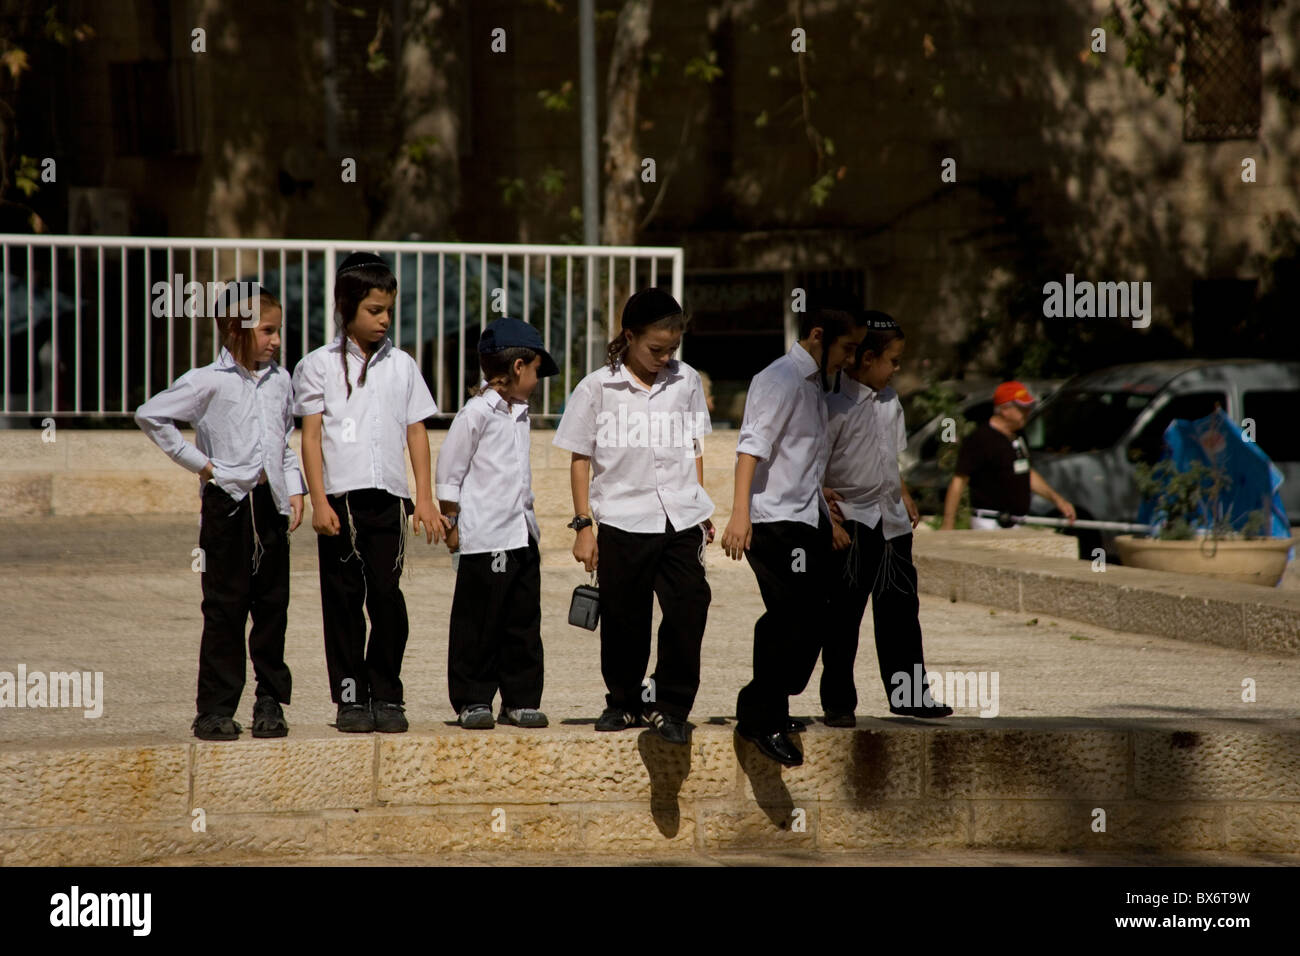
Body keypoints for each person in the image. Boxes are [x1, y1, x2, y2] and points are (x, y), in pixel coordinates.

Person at [135, 284, 303, 741]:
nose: (275, 340)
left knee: (272, 606)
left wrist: (295, 489)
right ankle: (214, 708)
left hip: (270, 504)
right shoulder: (207, 380)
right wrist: (204, 466)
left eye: (278, 331)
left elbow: (283, 439)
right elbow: (150, 415)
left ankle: (270, 701)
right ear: (234, 328)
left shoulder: (280, 380)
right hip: (227, 504)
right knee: (225, 607)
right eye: (267, 331)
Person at [292, 252, 447, 734]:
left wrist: (424, 497)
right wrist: (318, 501)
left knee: (386, 598)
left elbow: (416, 431)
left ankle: (387, 694)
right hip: (340, 503)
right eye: (374, 310)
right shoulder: (317, 365)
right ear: (346, 308)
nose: (383, 320)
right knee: (343, 603)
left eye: (388, 311)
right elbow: (311, 438)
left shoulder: (402, 365)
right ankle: (350, 698)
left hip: (388, 501)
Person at [553, 288, 714, 745]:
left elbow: (694, 447)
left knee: (689, 605)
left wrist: (699, 502)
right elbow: (580, 458)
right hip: (623, 520)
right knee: (625, 617)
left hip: (680, 518)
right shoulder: (596, 388)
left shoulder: (686, 381)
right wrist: (583, 526)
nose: (665, 358)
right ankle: (623, 701)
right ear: (629, 337)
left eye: (672, 349)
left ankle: (671, 704)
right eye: (655, 349)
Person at [720, 297, 869, 767]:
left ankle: (770, 706)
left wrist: (825, 513)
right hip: (773, 522)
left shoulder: (814, 386)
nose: (850, 359)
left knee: (812, 617)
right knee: (791, 616)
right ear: (819, 336)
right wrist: (739, 515)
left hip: (804, 520)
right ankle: (759, 715)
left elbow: (800, 459)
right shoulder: (780, 379)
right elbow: (751, 450)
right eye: (847, 348)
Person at [821, 312, 952, 724]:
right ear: (867, 358)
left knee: (900, 613)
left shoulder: (890, 401)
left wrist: (904, 494)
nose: (896, 369)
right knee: (843, 616)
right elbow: (815, 468)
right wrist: (830, 521)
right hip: (852, 521)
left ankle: (909, 696)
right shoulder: (832, 405)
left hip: (891, 521)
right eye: (893, 361)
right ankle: (839, 703)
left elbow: (889, 458)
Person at [437, 318, 557, 730]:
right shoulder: (475, 413)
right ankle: (473, 698)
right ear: (518, 367)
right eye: (537, 370)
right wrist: (452, 522)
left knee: (522, 621)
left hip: (521, 534)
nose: (538, 380)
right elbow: (450, 472)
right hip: (485, 536)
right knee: (478, 622)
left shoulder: (519, 414)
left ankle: (520, 698)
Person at [940, 381, 1076, 531]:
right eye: (1022, 408)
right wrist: (948, 522)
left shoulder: (1019, 435)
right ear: (1004, 409)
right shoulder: (980, 439)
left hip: (1015, 521)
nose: (1028, 412)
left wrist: (1057, 500)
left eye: (1028, 407)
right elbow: (959, 481)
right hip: (990, 522)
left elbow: (1026, 473)